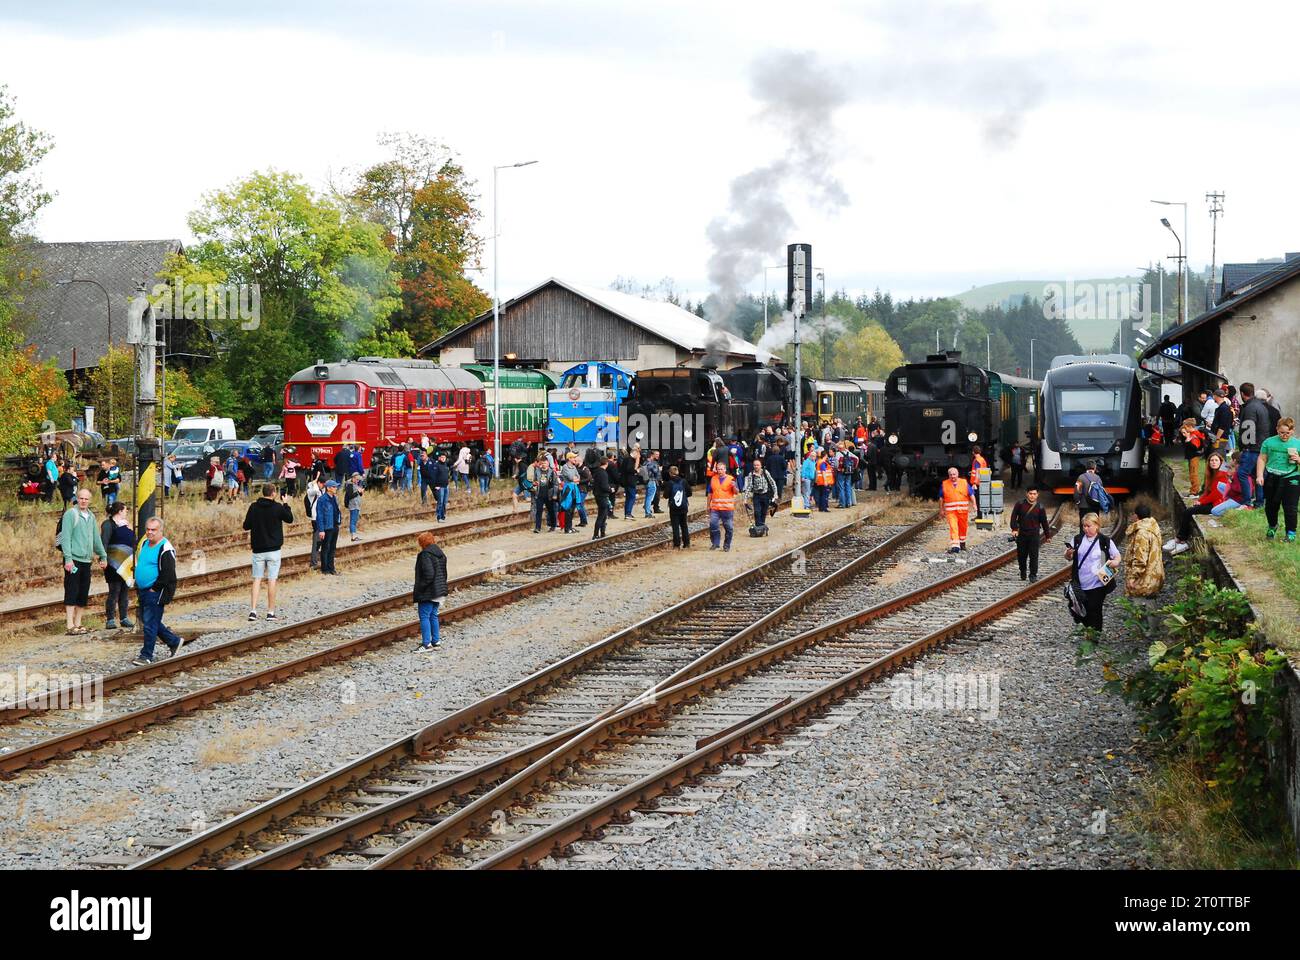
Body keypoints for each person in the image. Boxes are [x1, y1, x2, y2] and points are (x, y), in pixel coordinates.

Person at [132, 517, 184, 665]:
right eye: (148, 529)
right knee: (149, 619)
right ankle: (174, 641)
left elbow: (168, 574)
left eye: (153, 530)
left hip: (155, 591)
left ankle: (146, 655)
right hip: (143, 589)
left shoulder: (165, 548)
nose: (149, 532)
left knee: (150, 624)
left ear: (160, 531)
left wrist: (155, 588)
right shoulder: (144, 543)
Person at [60, 487, 107, 635]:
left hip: (87, 559)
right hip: (73, 559)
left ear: (89, 500)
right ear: (77, 498)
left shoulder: (91, 516)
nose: (83, 501)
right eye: (81, 498)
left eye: (86, 499)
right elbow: (65, 538)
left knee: (83, 591)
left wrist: (102, 555)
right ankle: (69, 624)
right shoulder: (70, 514)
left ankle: (78, 623)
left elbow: (96, 538)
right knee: (72, 590)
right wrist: (68, 559)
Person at [244, 482, 294, 621]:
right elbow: (289, 519)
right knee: (272, 580)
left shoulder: (253, 507)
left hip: (258, 549)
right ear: (273, 493)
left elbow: (246, 525)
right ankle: (270, 612)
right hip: (274, 549)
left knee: (257, 579)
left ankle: (253, 611)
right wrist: (286, 504)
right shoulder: (277, 507)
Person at [1166, 451, 1231, 555]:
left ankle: (1180, 540)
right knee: (1190, 510)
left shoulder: (1222, 475)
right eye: (1211, 460)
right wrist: (1200, 500)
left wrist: (1202, 502)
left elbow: (1217, 494)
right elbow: (1207, 491)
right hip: (1213, 502)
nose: (1213, 462)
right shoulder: (1212, 474)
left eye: (1216, 460)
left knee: (1188, 512)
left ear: (1220, 462)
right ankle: (1180, 538)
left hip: (1218, 504)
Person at [1065, 512, 1121, 633]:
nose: (1086, 528)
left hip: (1098, 583)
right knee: (1081, 609)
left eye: (1088, 526)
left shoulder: (1104, 541)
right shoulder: (1077, 539)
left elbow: (1117, 557)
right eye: (1084, 526)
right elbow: (1068, 557)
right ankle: (1087, 630)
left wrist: (1114, 563)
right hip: (1080, 582)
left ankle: (1095, 636)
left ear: (1097, 526)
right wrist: (1069, 553)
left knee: (1095, 609)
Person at [1256, 416, 1300, 542]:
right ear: (1276, 430)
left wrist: (1298, 460)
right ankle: (1272, 526)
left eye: (1287, 433)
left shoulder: (1297, 443)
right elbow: (1262, 458)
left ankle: (1290, 533)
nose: (1284, 435)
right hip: (1272, 476)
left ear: (1292, 431)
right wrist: (1259, 475)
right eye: (1281, 433)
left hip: (1292, 476)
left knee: (1290, 507)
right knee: (1271, 506)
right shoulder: (1269, 442)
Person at [100, 499, 135, 630]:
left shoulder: (125, 524)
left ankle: (124, 617)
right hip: (113, 563)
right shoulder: (108, 524)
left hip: (126, 562)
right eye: (125, 510)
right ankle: (110, 619)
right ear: (120, 511)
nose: (126, 512)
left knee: (125, 591)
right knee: (114, 591)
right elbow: (104, 542)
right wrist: (103, 559)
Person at [413, 530, 448, 652]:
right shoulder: (440, 553)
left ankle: (426, 644)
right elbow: (443, 573)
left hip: (428, 591)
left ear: (422, 543)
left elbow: (429, 574)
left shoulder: (425, 555)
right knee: (433, 615)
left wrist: (420, 588)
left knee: (424, 616)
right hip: (439, 590)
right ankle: (436, 641)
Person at [1124, 503, 1165, 606]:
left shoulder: (1141, 533)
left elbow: (1140, 558)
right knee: (1151, 605)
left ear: (1136, 516)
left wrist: (1133, 577)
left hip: (1144, 579)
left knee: (1141, 608)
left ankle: (1145, 622)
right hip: (1155, 574)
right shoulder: (1153, 527)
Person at [1237, 383, 1270, 510]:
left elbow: (1248, 430)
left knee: (1242, 473)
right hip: (1262, 447)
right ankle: (1260, 503)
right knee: (1259, 476)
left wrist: (1244, 447)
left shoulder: (1250, 408)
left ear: (1242, 394)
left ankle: (1247, 502)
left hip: (1252, 448)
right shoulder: (1261, 406)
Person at [1008, 485, 1050, 580]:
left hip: (1034, 535)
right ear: (1027, 494)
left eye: (1034, 494)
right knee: (1021, 556)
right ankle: (1023, 571)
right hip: (1022, 534)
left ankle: (1033, 575)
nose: (1032, 496)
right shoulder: (1020, 504)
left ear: (1037, 495)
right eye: (1030, 494)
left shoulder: (1040, 507)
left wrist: (1048, 536)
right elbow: (1013, 517)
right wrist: (1014, 529)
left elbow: (1044, 522)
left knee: (1034, 556)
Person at [940, 466, 976, 554]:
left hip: (963, 511)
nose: (953, 476)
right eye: (951, 475)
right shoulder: (944, 484)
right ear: (948, 475)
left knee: (963, 528)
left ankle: (962, 543)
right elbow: (941, 498)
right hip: (951, 512)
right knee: (953, 527)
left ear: (957, 474)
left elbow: (971, 494)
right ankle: (955, 546)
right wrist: (941, 509)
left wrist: (974, 504)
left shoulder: (964, 482)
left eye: (954, 474)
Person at [707, 461, 738, 551]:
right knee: (713, 525)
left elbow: (736, 492)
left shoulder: (731, 479)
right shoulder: (713, 479)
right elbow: (710, 493)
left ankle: (726, 545)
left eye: (721, 469)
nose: (720, 471)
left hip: (727, 509)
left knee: (729, 527)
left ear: (725, 469)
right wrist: (708, 505)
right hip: (715, 508)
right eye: (718, 469)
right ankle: (715, 543)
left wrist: (734, 487)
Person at [315, 479, 342, 574]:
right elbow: (320, 516)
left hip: (335, 525)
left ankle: (331, 568)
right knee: (326, 547)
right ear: (328, 488)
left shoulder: (335, 498)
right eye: (334, 487)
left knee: (333, 548)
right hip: (327, 527)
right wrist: (321, 530)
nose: (336, 488)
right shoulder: (322, 500)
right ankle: (325, 569)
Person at [529, 454, 558, 533]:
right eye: (542, 463)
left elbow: (556, 484)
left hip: (549, 494)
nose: (543, 465)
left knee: (551, 510)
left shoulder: (552, 472)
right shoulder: (537, 471)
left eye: (545, 463)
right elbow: (534, 480)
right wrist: (534, 484)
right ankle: (537, 528)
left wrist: (555, 494)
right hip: (539, 494)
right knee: (539, 511)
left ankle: (553, 525)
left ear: (548, 463)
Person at [1073, 461, 1107, 526]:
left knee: (1084, 525)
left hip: (1083, 506)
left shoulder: (1081, 477)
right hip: (1095, 506)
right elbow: (1101, 493)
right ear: (1095, 468)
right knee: (1094, 525)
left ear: (1086, 468)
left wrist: (1077, 502)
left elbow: (1077, 491)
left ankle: (1083, 535)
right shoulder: (1098, 478)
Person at [665, 464, 691, 548]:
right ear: (678, 472)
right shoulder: (683, 481)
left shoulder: (669, 483)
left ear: (670, 473)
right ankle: (686, 543)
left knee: (675, 526)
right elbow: (690, 493)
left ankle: (676, 545)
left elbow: (666, 495)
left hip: (673, 508)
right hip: (683, 507)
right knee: (684, 525)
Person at [746, 457, 776, 529]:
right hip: (756, 495)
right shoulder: (751, 474)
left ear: (761, 465)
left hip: (765, 495)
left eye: (758, 465)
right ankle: (758, 526)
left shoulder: (765, 472)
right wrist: (745, 498)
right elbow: (749, 486)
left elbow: (772, 482)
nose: (756, 466)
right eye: (755, 465)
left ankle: (762, 525)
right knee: (757, 512)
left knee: (763, 511)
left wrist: (775, 493)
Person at [591, 454, 612, 540]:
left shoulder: (597, 471)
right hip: (602, 496)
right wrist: (610, 490)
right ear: (606, 463)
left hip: (597, 495)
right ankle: (596, 534)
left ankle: (602, 533)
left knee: (603, 515)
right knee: (601, 515)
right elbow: (604, 486)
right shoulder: (603, 473)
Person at [428, 452, 451, 522]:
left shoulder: (446, 465)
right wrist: (435, 486)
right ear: (439, 458)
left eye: (444, 458)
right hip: (439, 487)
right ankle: (439, 517)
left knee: (444, 502)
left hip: (446, 486)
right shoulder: (436, 465)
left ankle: (443, 516)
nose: (443, 459)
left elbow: (447, 475)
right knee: (440, 502)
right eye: (442, 457)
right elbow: (433, 477)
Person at [620, 444, 641, 519]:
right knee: (632, 497)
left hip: (626, 481)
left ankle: (627, 513)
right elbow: (629, 469)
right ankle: (628, 513)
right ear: (634, 453)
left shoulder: (626, 459)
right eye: (638, 454)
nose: (638, 456)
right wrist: (636, 470)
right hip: (630, 481)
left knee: (628, 498)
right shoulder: (630, 460)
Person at [968, 445, 988, 519]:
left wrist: (974, 483)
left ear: (973, 452)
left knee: (978, 500)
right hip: (981, 481)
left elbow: (978, 472)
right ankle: (980, 516)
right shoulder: (982, 459)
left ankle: (980, 516)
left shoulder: (977, 460)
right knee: (980, 499)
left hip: (977, 483)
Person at [344, 471, 364, 542]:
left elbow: (357, 494)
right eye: (357, 479)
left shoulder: (355, 484)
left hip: (356, 505)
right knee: (353, 521)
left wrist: (360, 492)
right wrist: (358, 492)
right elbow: (350, 496)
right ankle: (353, 536)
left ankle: (354, 535)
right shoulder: (350, 485)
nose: (358, 481)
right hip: (353, 505)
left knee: (354, 520)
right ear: (354, 478)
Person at [642, 451, 661, 518]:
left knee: (647, 497)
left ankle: (647, 511)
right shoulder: (651, 463)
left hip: (646, 481)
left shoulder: (645, 463)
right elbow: (656, 472)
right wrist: (659, 469)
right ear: (651, 455)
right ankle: (648, 513)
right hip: (652, 481)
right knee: (650, 498)